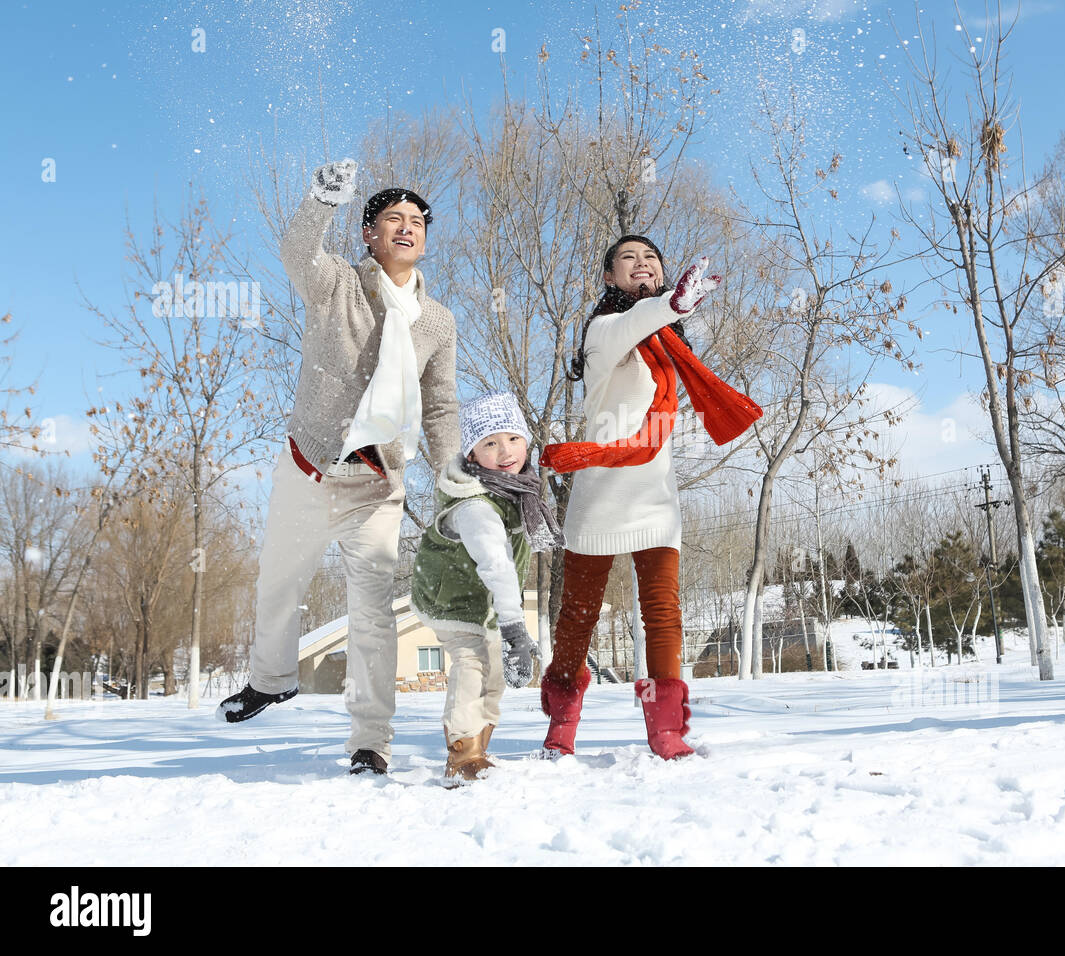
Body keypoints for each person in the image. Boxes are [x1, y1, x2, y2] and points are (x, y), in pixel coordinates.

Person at [218, 159, 459, 776]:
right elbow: (297, 247)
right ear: (369, 235)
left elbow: (440, 406)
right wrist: (321, 198)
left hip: (377, 484)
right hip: (309, 468)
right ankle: (272, 679)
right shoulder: (338, 286)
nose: (406, 227)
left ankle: (370, 739)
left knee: (373, 615)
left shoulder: (437, 320)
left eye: (416, 221)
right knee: (276, 583)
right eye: (391, 219)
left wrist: (451, 472)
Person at [538, 235, 760, 760]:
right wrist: (673, 304)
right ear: (611, 278)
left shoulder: (668, 349)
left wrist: (670, 311)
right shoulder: (604, 331)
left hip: (656, 498)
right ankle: (561, 725)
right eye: (628, 259)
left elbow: (652, 326)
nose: (641, 264)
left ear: (661, 274)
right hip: (600, 495)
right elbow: (632, 324)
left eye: (651, 259)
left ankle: (666, 732)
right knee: (578, 617)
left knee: (663, 614)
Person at [409, 392, 562, 784]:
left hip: (483, 601)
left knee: (493, 670)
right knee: (473, 663)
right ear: (473, 455)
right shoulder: (476, 505)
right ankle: (462, 755)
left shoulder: (516, 489)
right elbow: (496, 563)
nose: (505, 450)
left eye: (513, 438)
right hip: (452, 598)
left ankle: (479, 743)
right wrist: (515, 629)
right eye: (490, 443)